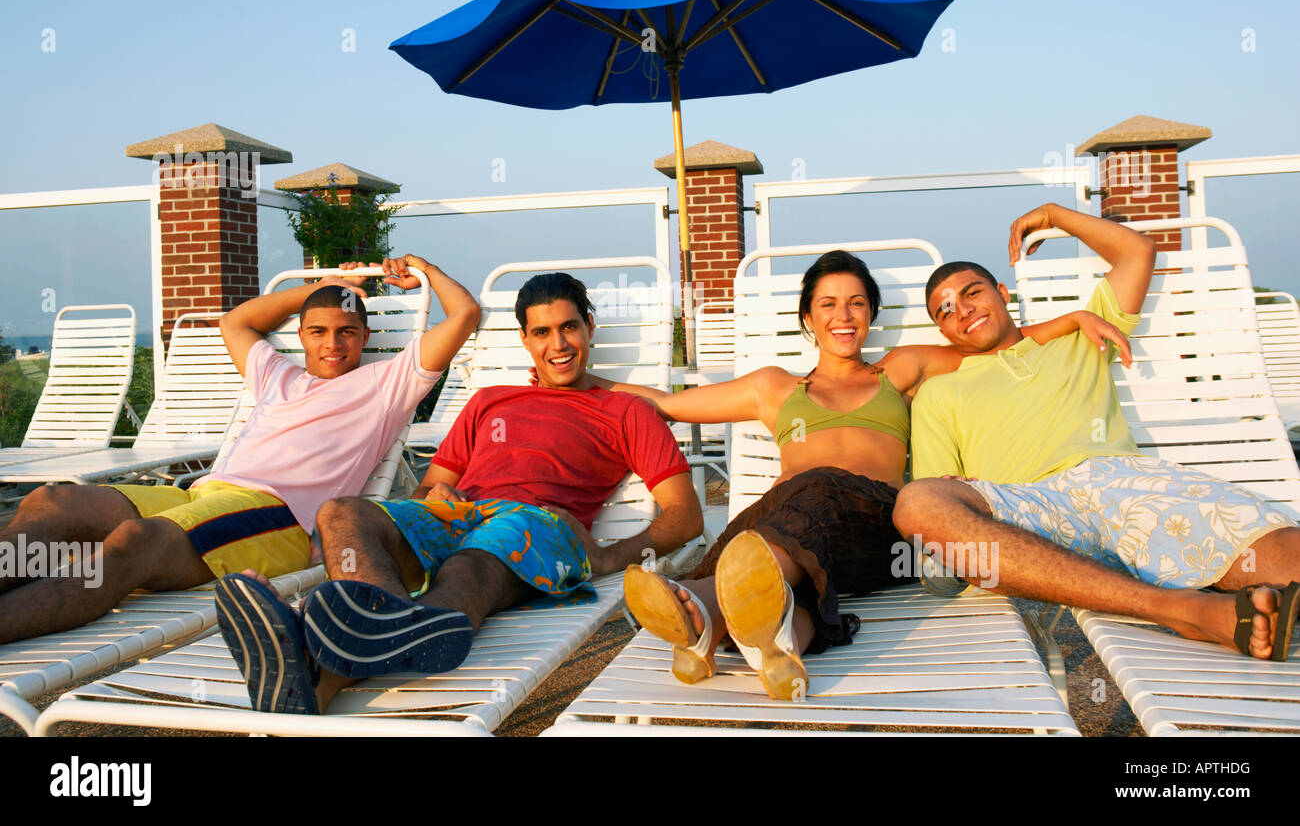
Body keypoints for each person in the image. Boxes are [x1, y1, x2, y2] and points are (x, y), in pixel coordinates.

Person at [600, 250, 1132, 699]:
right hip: (788, 527)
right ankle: (777, 642)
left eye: (857, 302)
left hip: (876, 528)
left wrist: (1070, 321)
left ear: (871, 313)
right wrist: (578, 383)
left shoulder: (899, 369)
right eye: (828, 304)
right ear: (807, 317)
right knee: (786, 531)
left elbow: (988, 340)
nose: (844, 315)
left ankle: (703, 612)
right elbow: (670, 404)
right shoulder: (773, 387)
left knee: (816, 485)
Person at [215, 272, 703, 715]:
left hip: (539, 524)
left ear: (589, 328)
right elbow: (431, 485)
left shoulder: (626, 411)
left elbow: (686, 515)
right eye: (542, 332)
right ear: (525, 340)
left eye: (569, 328)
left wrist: (609, 557)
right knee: (342, 512)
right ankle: (338, 669)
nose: (559, 344)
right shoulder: (490, 400)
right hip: (460, 514)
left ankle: (329, 658)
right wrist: (437, 489)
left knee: (466, 564)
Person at [0, 254, 479, 645]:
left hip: (276, 514)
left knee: (135, 540)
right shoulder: (277, 375)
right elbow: (237, 321)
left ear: (365, 337)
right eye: (318, 331)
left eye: (347, 332)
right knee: (52, 501)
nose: (333, 344)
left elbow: (464, 314)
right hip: (203, 494)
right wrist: (329, 284)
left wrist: (427, 271)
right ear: (301, 335)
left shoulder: (387, 384)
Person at [896, 202, 1300, 663]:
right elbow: (944, 495)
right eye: (946, 311)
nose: (964, 310)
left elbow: (1137, 252)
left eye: (973, 292)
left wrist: (1052, 215)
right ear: (942, 330)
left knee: (1288, 553)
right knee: (920, 502)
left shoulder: (1081, 338)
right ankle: (1183, 610)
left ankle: (1229, 609)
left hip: (1123, 483)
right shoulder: (939, 394)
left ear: (1002, 292)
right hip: (1028, 509)